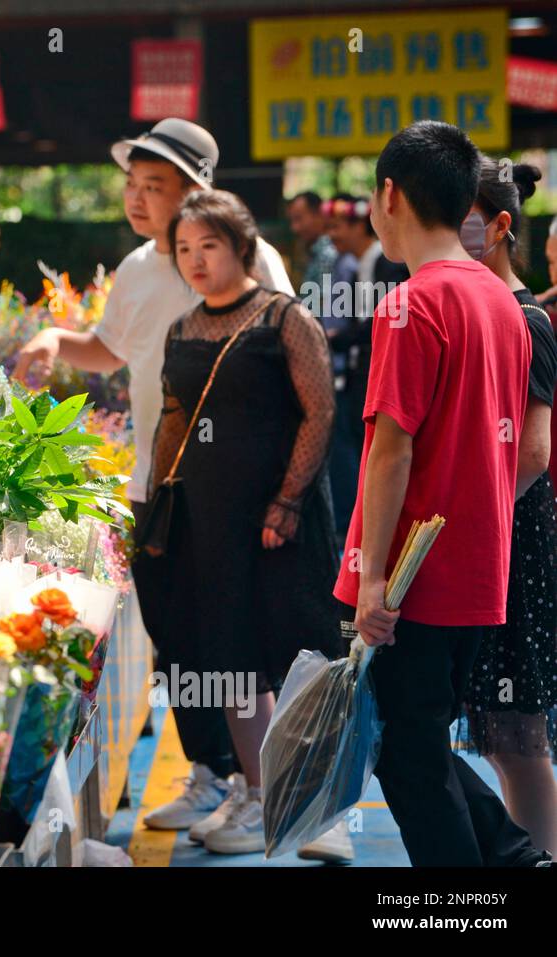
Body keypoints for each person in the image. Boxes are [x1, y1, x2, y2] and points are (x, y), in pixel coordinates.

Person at [12, 117, 299, 847]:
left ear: (198, 191)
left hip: (232, 488)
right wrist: (53, 340)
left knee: (238, 646)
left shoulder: (252, 259)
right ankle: (211, 771)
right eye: (132, 186)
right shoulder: (140, 267)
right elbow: (109, 348)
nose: (137, 200)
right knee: (183, 642)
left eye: (155, 187)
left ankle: (266, 792)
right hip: (156, 489)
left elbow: (292, 361)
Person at [335, 120, 550, 867]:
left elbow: (392, 450)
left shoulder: (410, 304)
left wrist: (370, 583)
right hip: (473, 572)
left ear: (388, 195)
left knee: (410, 757)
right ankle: (518, 857)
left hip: (409, 578)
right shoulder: (504, 304)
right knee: (416, 741)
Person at [147, 189, 342, 857]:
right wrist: (154, 505)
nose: (196, 261)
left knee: (300, 655)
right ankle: (260, 794)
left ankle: (323, 802)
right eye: (183, 250)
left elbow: (320, 412)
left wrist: (287, 501)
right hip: (211, 519)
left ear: (242, 247)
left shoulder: (285, 318)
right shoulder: (182, 329)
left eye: (209, 246)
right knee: (231, 662)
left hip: (278, 519)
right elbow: (172, 421)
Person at [457, 158, 557, 856]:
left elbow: (531, 453)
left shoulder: (528, 319)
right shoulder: (479, 307)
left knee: (517, 731)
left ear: (499, 226)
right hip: (486, 534)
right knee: (499, 732)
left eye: (461, 215)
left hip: (511, 539)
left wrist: (469, 522)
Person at [323, 194, 410, 545]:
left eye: (338, 226)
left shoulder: (385, 263)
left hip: (377, 370)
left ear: (363, 225)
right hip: (360, 371)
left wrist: (339, 338)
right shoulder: (361, 263)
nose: (332, 235)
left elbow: (381, 322)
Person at [286, 191, 338, 295]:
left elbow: (322, 306)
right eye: (291, 221)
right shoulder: (314, 252)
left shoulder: (327, 255)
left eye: (298, 219)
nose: (294, 228)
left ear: (319, 214)